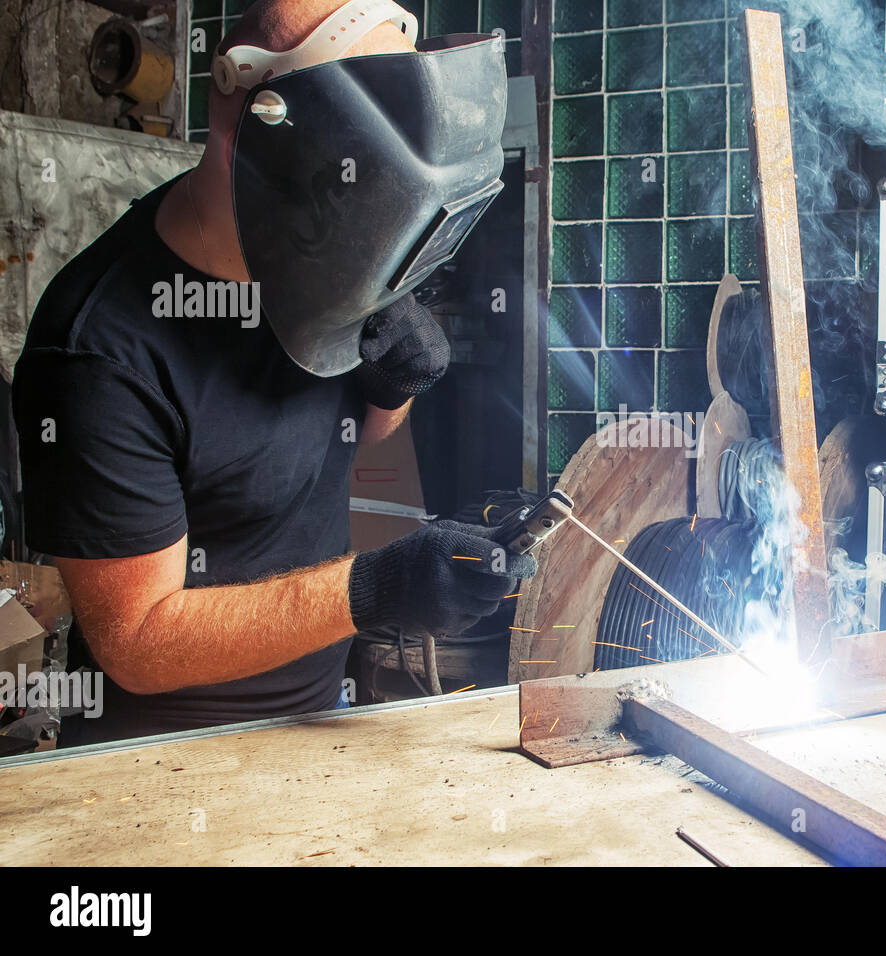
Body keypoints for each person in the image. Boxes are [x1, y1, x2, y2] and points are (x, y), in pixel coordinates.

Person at [11, 0, 533, 745]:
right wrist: (374, 588)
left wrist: (391, 390)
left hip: (319, 717)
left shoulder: (330, 256)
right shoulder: (99, 353)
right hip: (164, 760)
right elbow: (138, 641)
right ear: (251, 128)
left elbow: (351, 441)